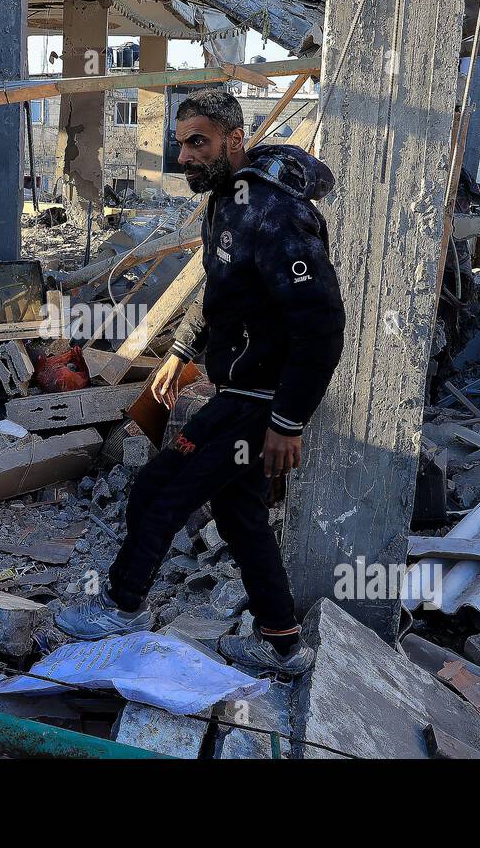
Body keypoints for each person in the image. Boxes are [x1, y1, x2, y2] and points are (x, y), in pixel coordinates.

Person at [55, 89, 346, 677]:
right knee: (240, 515)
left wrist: (288, 422)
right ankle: (283, 645)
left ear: (234, 140)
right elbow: (220, 289)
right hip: (238, 391)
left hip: (261, 401)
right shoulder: (224, 200)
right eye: (180, 143)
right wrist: (182, 350)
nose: (184, 155)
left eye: (198, 142)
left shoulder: (274, 213)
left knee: (161, 489)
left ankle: (123, 605)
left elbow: (322, 324)